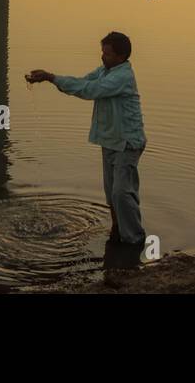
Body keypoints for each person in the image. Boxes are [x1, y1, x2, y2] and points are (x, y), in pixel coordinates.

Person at [27, 31, 147, 245]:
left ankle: (134, 240)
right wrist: (51, 79)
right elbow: (82, 82)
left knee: (122, 193)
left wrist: (51, 77)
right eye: (102, 52)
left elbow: (90, 90)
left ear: (121, 56)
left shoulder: (122, 76)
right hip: (109, 140)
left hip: (127, 142)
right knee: (111, 193)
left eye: (107, 54)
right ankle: (117, 231)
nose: (102, 57)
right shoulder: (105, 70)